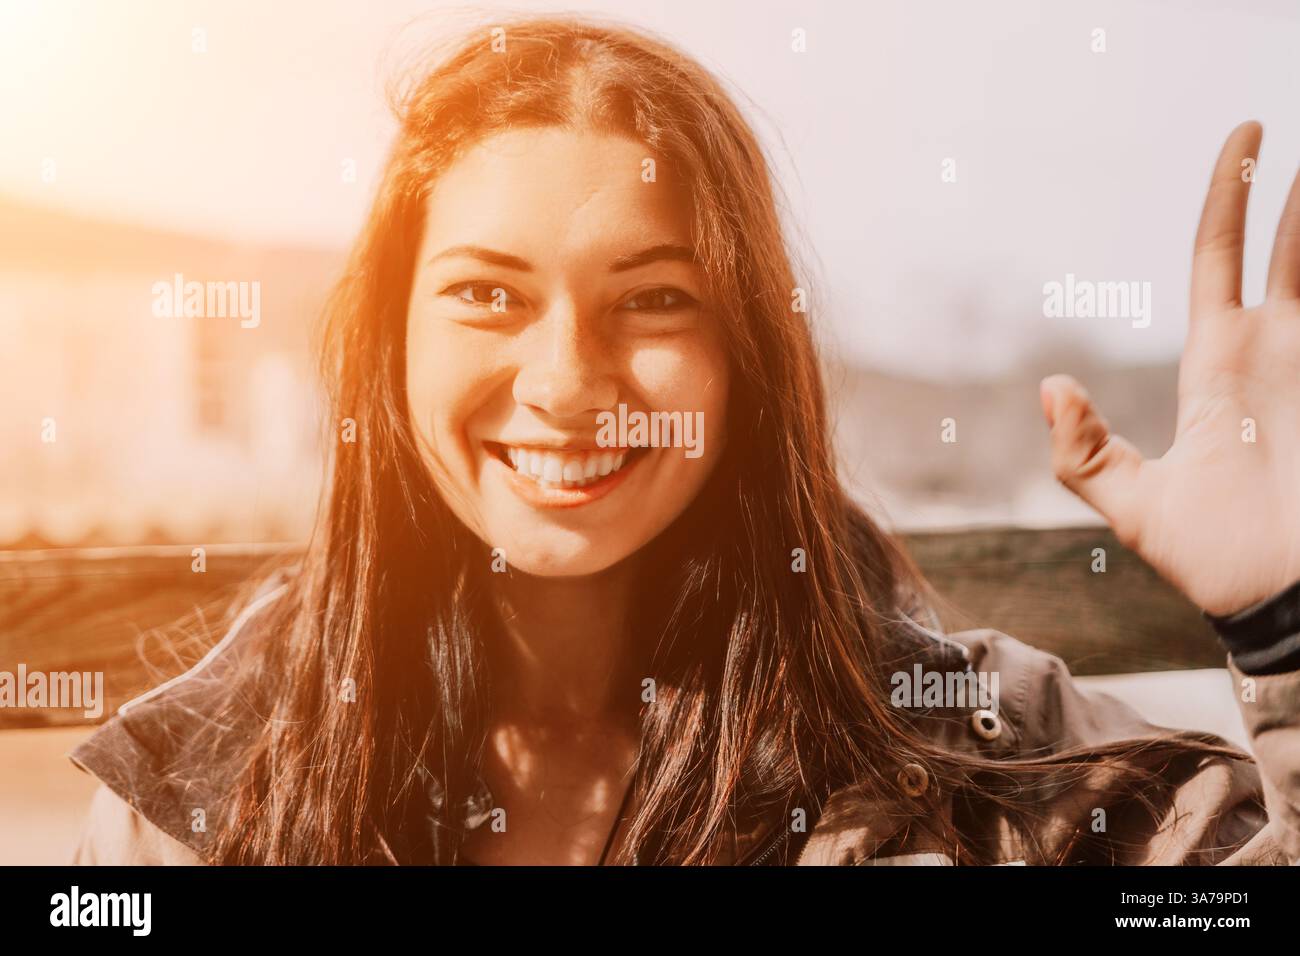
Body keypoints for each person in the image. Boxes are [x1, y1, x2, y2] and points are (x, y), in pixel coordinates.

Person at [70, 14, 1300, 866]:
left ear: (747, 358)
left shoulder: (974, 747)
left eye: (654, 297)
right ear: (388, 345)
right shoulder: (219, 779)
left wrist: (1282, 616)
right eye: (487, 294)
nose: (565, 382)